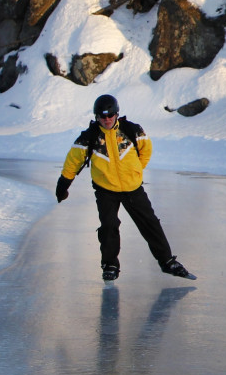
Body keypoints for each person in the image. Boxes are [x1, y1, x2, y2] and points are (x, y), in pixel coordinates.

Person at [56, 94, 195, 282]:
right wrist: (63, 184)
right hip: (105, 189)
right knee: (109, 226)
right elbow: (73, 161)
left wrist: (135, 171)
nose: (106, 119)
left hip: (132, 188)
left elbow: (146, 150)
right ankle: (110, 265)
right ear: (96, 117)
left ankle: (167, 261)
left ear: (116, 114)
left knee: (150, 223)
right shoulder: (89, 137)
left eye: (110, 115)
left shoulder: (132, 130)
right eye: (102, 116)